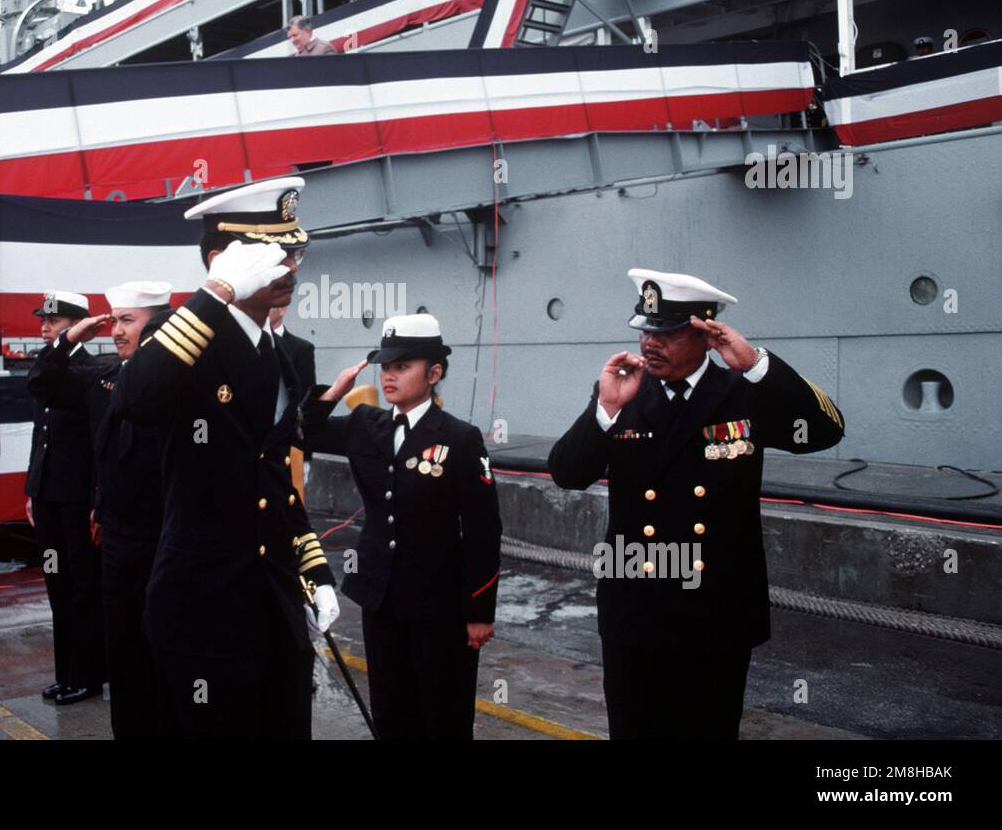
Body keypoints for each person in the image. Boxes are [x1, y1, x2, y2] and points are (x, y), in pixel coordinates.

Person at [547, 269, 845, 739]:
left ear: (706, 334)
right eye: (645, 330)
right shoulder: (624, 393)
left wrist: (758, 365)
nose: (650, 342)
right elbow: (566, 472)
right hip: (635, 611)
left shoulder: (744, 392)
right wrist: (604, 413)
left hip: (716, 614)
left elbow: (827, 430)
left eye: (666, 332)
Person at [110, 177, 339, 738]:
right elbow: (134, 399)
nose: (290, 268)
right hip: (204, 610)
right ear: (222, 260)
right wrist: (216, 293)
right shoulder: (183, 334)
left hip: (274, 602)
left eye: (295, 253)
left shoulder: (279, 353)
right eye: (274, 256)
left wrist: (314, 570)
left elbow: (276, 481)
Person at [298, 314, 502, 738]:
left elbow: (484, 531)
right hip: (381, 600)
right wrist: (334, 392)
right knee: (391, 716)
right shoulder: (365, 424)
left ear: (434, 373)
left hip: (439, 608)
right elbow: (303, 433)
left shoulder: (460, 439)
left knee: (441, 718)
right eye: (386, 366)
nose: (389, 375)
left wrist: (479, 612)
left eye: (402, 366)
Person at [27, 281, 171, 736]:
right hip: (118, 533)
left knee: (162, 645)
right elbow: (42, 382)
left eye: (129, 320)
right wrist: (70, 338)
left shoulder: (177, 380)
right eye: (115, 320)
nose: (117, 331)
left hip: (163, 532)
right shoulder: (103, 377)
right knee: (123, 645)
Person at [24, 290, 103, 706]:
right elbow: (42, 436)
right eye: (43, 321)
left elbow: (98, 441)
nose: (43, 328)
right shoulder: (47, 368)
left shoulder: (95, 370)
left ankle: (87, 676)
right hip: (48, 494)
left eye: (53, 322)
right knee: (57, 585)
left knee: (84, 587)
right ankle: (66, 672)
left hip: (78, 498)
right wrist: (31, 490)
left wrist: (97, 499)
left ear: (77, 326)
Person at [269, 304, 315, 395]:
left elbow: (306, 395)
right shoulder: (245, 343)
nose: (261, 309)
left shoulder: (302, 348)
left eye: (267, 305)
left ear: (282, 309)